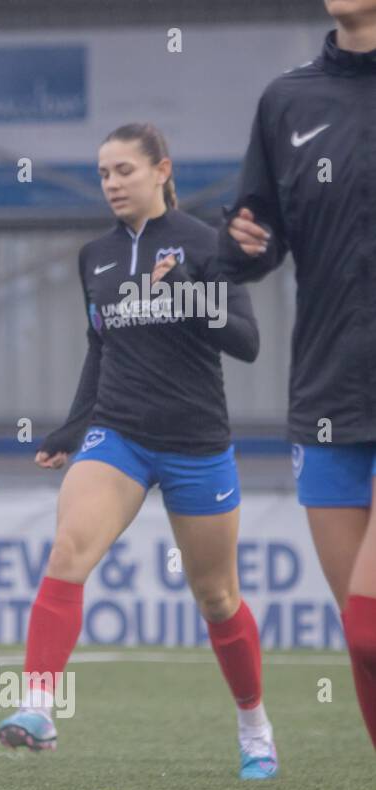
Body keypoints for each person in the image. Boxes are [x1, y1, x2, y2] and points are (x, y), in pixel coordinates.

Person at [0, 123, 273, 779]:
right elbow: (101, 346)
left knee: (216, 597)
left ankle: (254, 727)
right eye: (103, 174)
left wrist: (185, 292)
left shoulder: (206, 244)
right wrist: (72, 428)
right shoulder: (93, 255)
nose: (113, 184)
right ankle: (38, 705)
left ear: (161, 171)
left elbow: (246, 342)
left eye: (124, 170)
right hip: (118, 434)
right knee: (68, 552)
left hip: (196, 442)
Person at [215, 0, 376, 752]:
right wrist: (245, 243)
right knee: (363, 636)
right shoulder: (288, 100)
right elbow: (258, 239)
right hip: (328, 390)